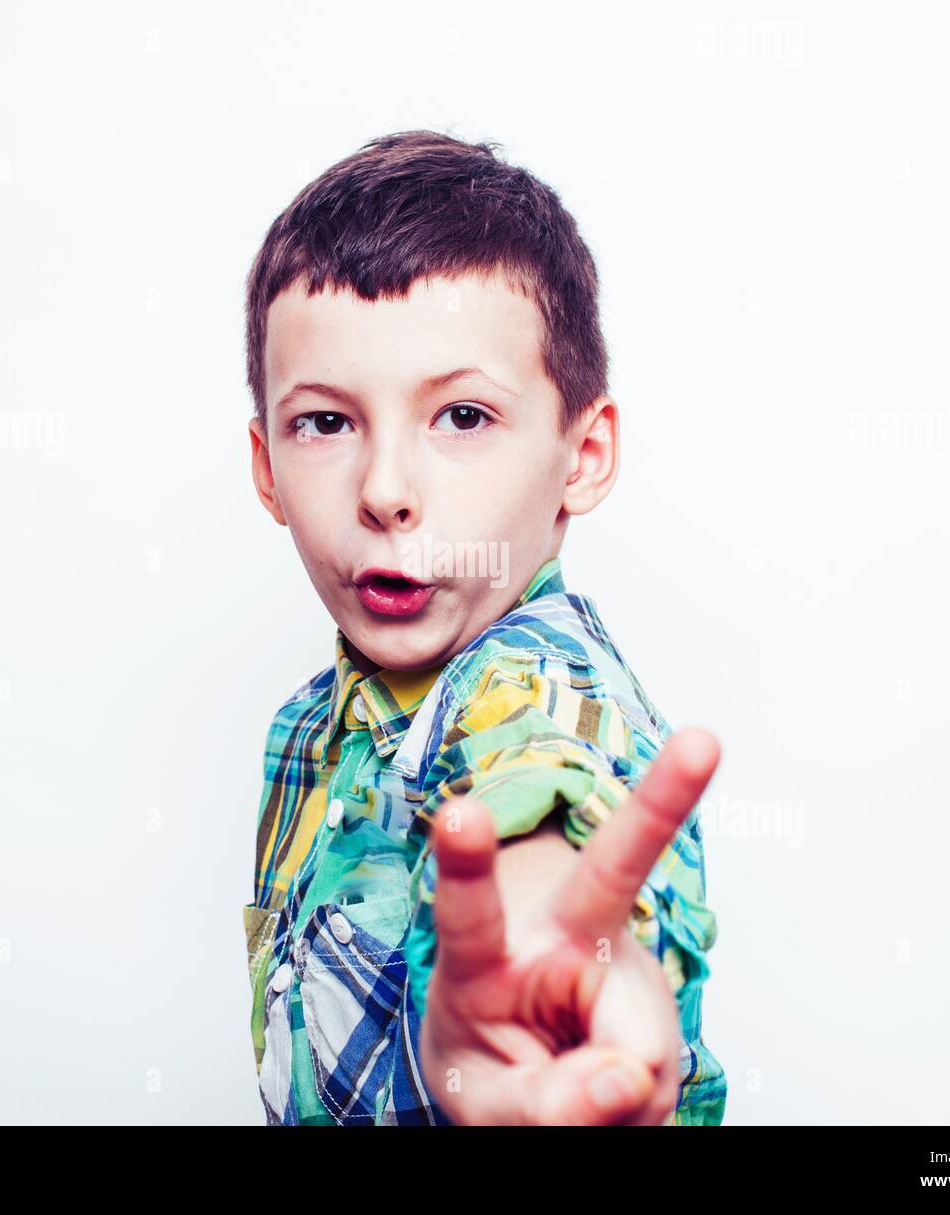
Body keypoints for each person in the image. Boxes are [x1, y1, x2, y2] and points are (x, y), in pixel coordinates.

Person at [242, 129, 726, 1125]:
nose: (383, 491)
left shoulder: (538, 687)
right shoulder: (308, 728)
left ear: (582, 455)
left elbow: (538, 788)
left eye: (462, 417)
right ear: (265, 469)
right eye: (325, 423)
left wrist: (553, 959)